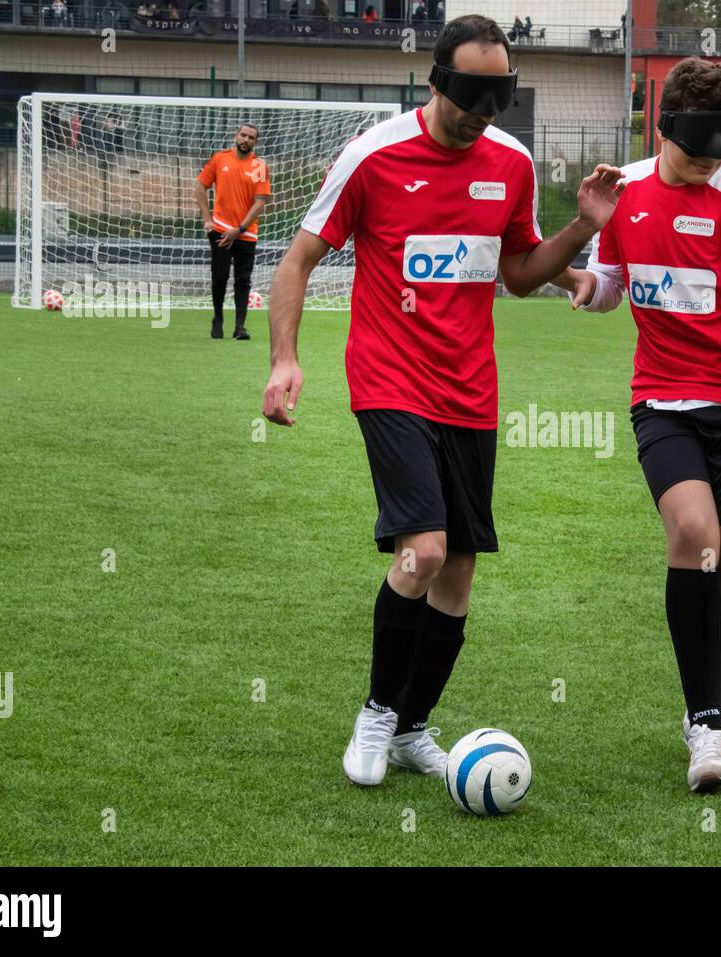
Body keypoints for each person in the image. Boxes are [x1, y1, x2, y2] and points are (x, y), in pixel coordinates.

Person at [260, 14, 620, 787]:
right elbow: (296, 261)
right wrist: (285, 359)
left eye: (499, 96)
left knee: (457, 570)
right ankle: (376, 714)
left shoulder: (511, 163)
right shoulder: (374, 155)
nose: (483, 113)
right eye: (470, 95)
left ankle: (414, 724)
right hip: (389, 379)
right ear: (435, 82)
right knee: (420, 550)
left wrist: (582, 233)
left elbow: (519, 272)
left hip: (471, 393)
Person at [561, 56, 721, 793]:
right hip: (664, 398)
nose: (708, 166)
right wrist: (582, 277)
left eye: (719, 154)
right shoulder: (625, 191)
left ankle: (715, 710)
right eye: (695, 152)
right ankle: (705, 722)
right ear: (664, 127)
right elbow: (611, 285)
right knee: (694, 537)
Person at [194, 123, 272, 340]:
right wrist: (207, 220)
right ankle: (218, 318)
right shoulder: (220, 159)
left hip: (246, 233)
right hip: (219, 229)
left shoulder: (258, 165)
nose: (246, 139)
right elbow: (200, 186)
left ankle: (240, 327)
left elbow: (260, 202)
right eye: (243, 135)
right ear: (236, 136)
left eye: (251, 137)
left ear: (255, 142)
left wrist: (239, 229)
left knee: (243, 279)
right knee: (219, 277)